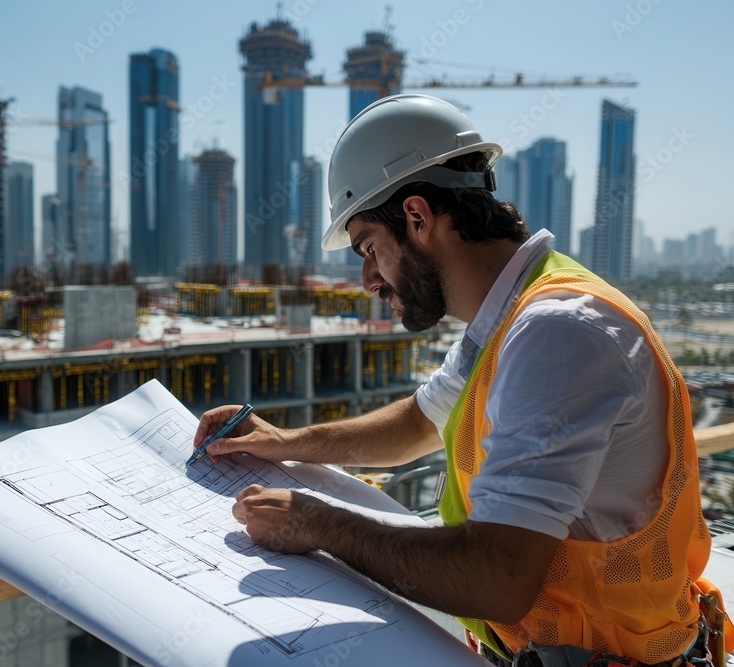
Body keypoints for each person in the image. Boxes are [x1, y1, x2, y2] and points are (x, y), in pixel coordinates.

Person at [194, 94, 732, 666]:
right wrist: (285, 442)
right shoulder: (507, 317)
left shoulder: (556, 331)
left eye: (369, 248)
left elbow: (495, 577)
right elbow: (417, 424)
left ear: (419, 218)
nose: (367, 278)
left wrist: (317, 523)